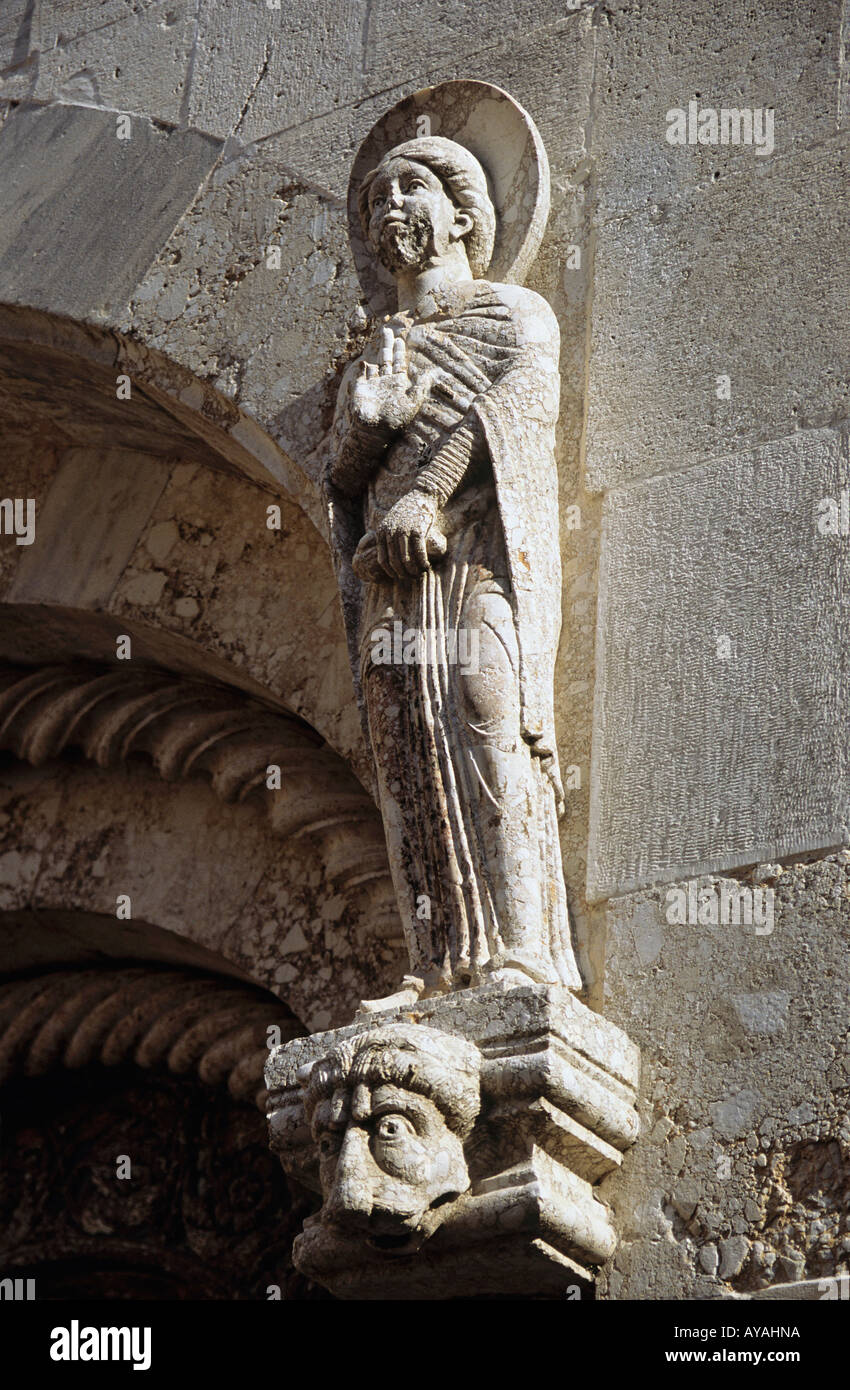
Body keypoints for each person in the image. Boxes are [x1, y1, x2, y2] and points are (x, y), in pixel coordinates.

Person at [326, 136, 581, 1008]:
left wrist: (429, 493)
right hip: (393, 581)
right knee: (403, 750)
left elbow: (515, 404)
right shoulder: (377, 354)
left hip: (476, 549)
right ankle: (439, 962)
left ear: (466, 216)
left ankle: (522, 949)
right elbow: (339, 476)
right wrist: (370, 424)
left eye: (412, 188)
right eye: (374, 200)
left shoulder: (514, 314)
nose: (390, 206)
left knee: (483, 708)